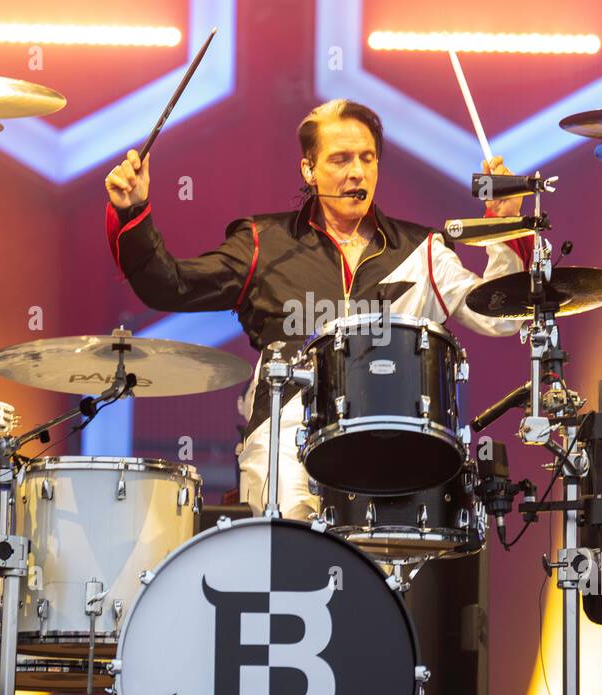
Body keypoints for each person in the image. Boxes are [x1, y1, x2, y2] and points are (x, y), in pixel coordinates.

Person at [104, 99, 532, 519]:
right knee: (295, 548)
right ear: (309, 170)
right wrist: (133, 209)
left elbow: (497, 317)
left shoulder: (422, 250)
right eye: (340, 159)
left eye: (367, 158)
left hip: (395, 442)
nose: (357, 172)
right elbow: (170, 285)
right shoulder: (263, 243)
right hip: (286, 439)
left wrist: (504, 225)